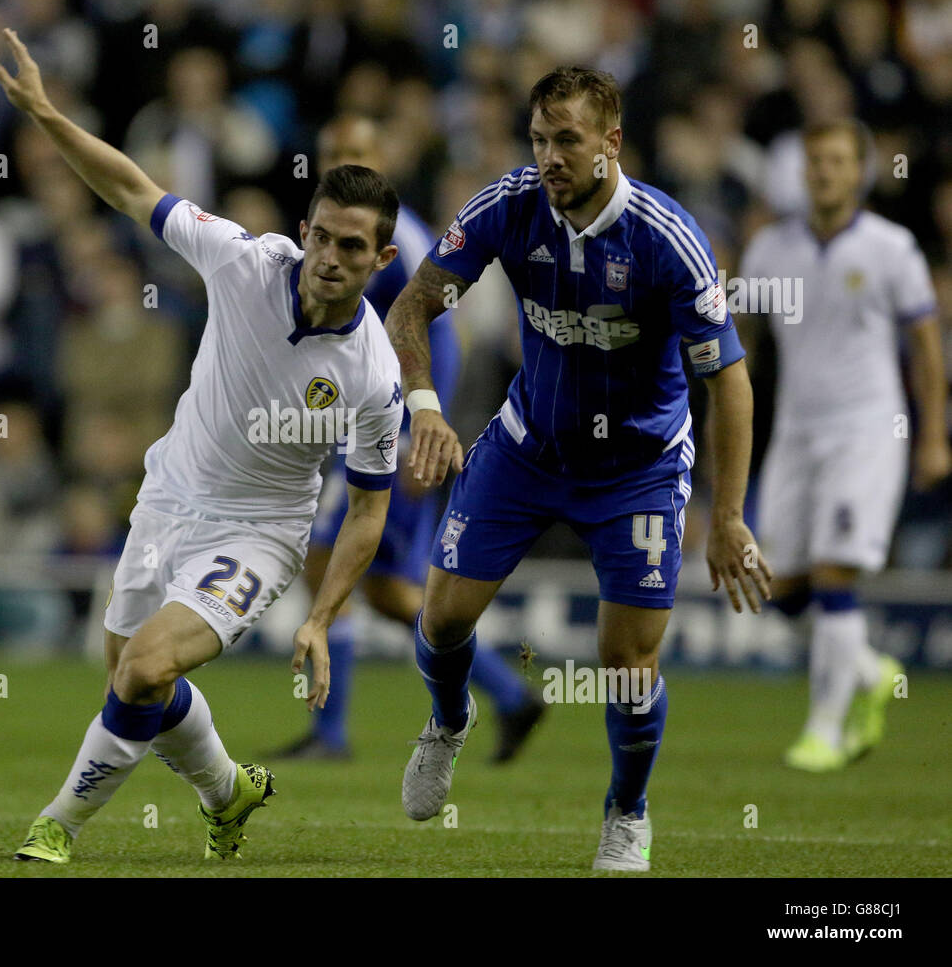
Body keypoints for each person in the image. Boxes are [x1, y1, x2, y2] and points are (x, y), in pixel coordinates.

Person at [0, 29, 405, 861]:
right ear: (306, 226)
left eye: (352, 246)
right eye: (322, 235)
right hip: (170, 492)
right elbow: (130, 187)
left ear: (381, 257)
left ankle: (55, 827)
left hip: (259, 530)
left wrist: (322, 618)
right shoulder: (242, 261)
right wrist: (45, 114)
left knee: (143, 667)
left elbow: (368, 510)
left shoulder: (373, 374)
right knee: (131, 672)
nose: (329, 256)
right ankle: (229, 790)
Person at [384, 67, 771, 871]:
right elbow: (412, 303)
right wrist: (424, 404)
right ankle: (449, 721)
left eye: (567, 140)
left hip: (638, 465)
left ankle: (626, 811)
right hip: (529, 445)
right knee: (443, 616)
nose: (549, 157)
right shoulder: (508, 205)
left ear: (611, 142)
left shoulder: (668, 241)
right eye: (538, 139)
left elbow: (728, 382)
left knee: (627, 663)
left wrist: (727, 515)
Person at [271, 114, 543, 763]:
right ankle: (511, 694)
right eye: (333, 149)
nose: (341, 159)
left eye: (356, 151)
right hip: (356, 428)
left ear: (382, 159)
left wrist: (426, 422)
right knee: (391, 593)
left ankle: (329, 732)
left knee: (324, 556)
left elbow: (433, 334)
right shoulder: (341, 235)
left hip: (390, 432)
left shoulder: (403, 244)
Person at [742, 120, 949, 772]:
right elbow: (738, 345)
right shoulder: (770, 249)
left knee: (836, 572)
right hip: (796, 434)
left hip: (867, 429)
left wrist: (933, 436)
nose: (824, 172)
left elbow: (924, 347)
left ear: (859, 171)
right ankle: (865, 666)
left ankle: (825, 730)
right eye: (815, 160)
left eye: (837, 161)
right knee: (778, 588)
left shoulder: (891, 248)